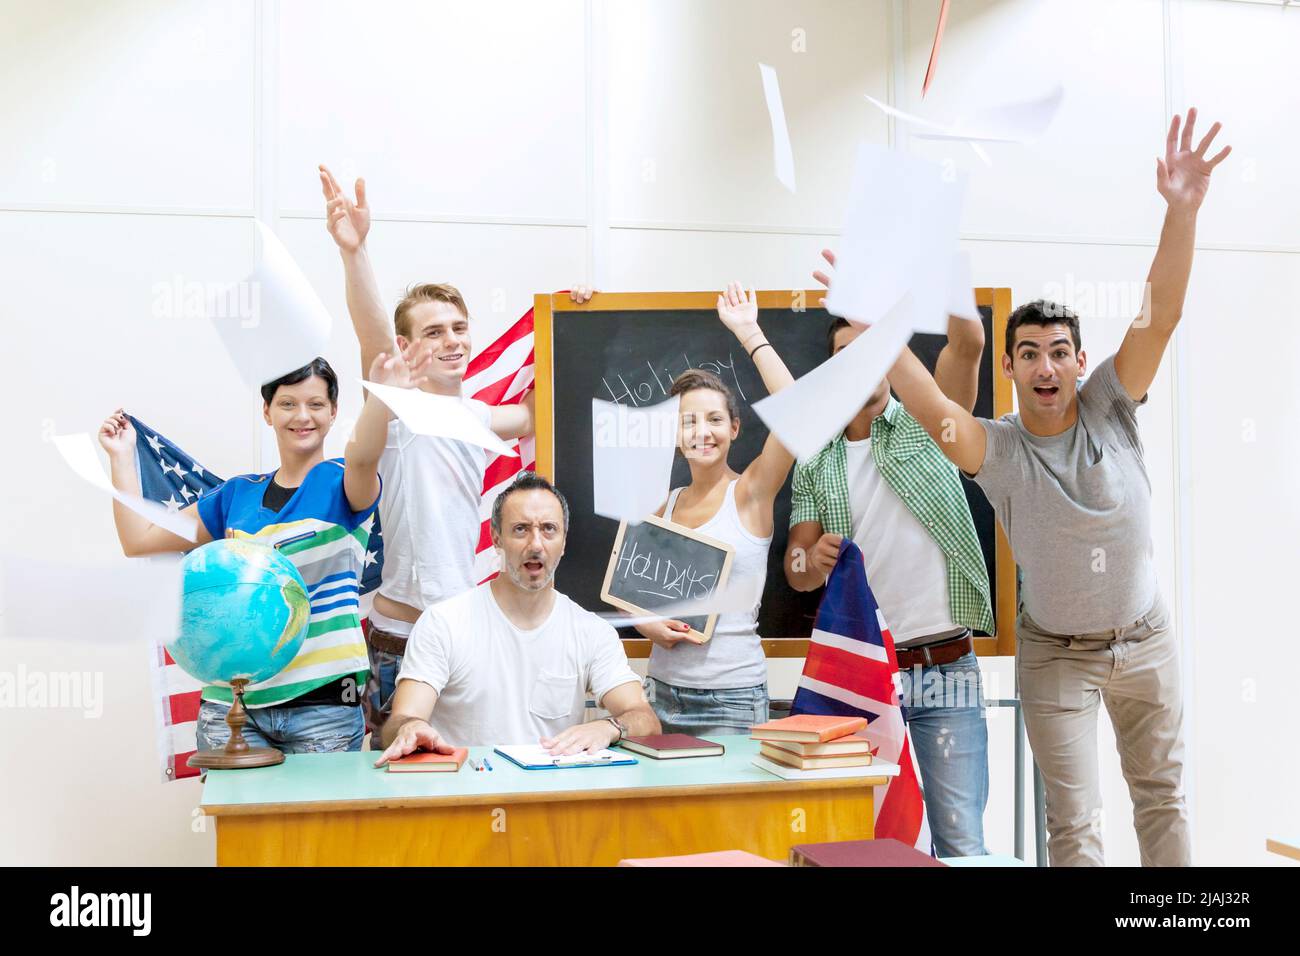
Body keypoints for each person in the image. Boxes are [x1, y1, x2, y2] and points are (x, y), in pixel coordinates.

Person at [880, 109, 1229, 866]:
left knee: (1162, 799)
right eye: (1029, 353)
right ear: (1009, 368)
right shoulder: (1000, 448)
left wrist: (1181, 210)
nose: (1045, 366)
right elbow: (939, 414)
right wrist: (881, 332)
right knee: (1073, 827)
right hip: (1057, 655)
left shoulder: (1111, 402)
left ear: (1080, 361)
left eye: (1059, 352)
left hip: (1146, 640)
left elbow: (1159, 315)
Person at [318, 166, 593, 737]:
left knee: (470, 766)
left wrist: (573, 315)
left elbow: (543, 407)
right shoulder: (396, 408)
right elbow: (373, 339)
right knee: (395, 773)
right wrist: (355, 251)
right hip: (401, 634)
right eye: (435, 331)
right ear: (408, 347)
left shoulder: (480, 416)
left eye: (459, 328)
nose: (453, 341)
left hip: (468, 632)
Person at [99, 349, 427, 754]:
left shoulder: (344, 483)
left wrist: (380, 398)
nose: (302, 416)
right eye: (287, 403)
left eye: (316, 404)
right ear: (268, 412)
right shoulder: (236, 496)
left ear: (333, 412)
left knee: (317, 821)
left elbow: (363, 455)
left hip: (323, 706)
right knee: (239, 819)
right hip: (232, 710)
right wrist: (121, 457)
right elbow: (138, 538)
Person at [785, 253, 993, 857]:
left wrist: (940, 257)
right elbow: (795, 573)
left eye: (877, 348)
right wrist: (811, 561)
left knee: (960, 841)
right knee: (870, 844)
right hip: (866, 678)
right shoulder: (816, 457)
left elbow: (970, 341)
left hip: (945, 670)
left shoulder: (930, 423)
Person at [375, 472, 659, 762]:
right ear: (497, 539)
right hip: (466, 796)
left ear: (563, 542)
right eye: (521, 529)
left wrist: (608, 727)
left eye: (549, 529)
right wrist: (411, 728)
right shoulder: (443, 623)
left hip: (550, 798)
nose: (536, 544)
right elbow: (401, 720)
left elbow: (646, 720)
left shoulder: (592, 631)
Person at [634, 283, 795, 737]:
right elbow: (633, 594)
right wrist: (647, 624)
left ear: (735, 428)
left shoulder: (751, 493)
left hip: (733, 699)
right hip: (662, 692)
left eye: (714, 419)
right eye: (687, 420)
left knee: (732, 813)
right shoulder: (660, 507)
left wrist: (750, 333)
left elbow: (798, 409)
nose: (701, 432)